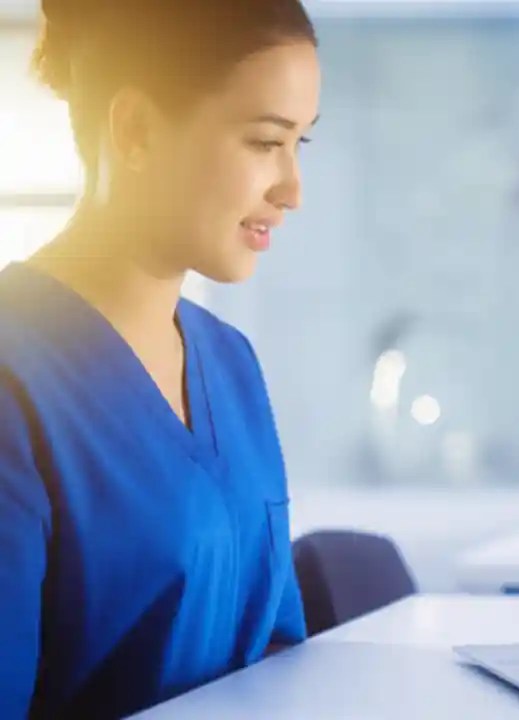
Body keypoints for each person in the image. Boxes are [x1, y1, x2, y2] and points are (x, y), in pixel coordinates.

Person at [0, 0, 321, 716]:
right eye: (265, 142)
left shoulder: (231, 364)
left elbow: (280, 656)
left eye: (301, 143)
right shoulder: (14, 380)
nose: (293, 190)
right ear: (136, 131)